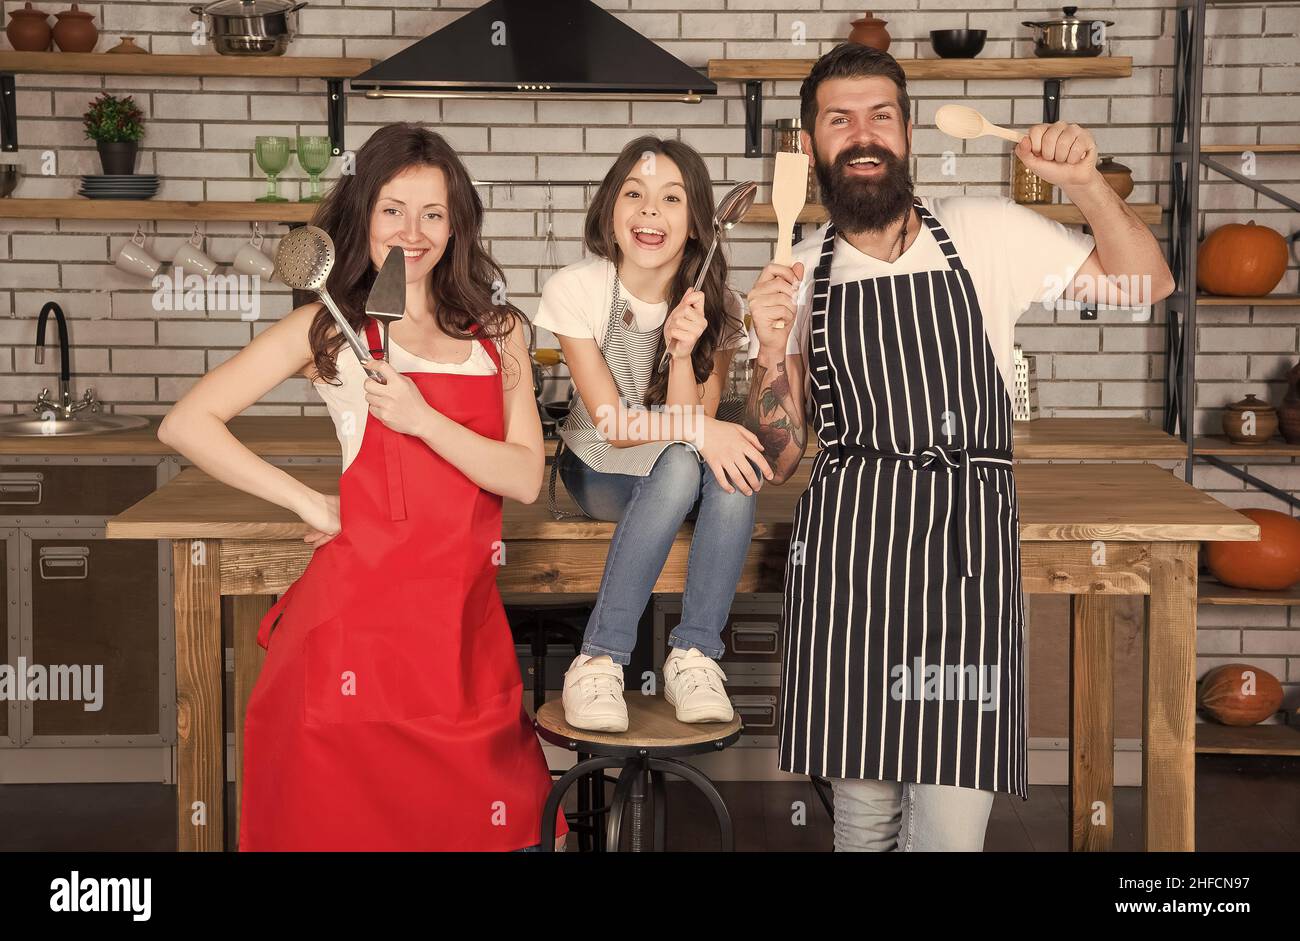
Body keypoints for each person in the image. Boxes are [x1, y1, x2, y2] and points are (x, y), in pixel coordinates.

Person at [743, 44, 1174, 851]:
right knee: (863, 823)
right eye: (840, 119)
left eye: (881, 114)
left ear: (908, 133)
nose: (863, 133)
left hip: (964, 558)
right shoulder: (794, 275)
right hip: (849, 561)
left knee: (948, 828)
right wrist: (768, 351)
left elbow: (1144, 286)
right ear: (810, 146)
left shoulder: (986, 232)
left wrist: (1084, 185)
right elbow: (777, 456)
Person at [158, 123, 567, 851]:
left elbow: (524, 475)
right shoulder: (328, 330)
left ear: (457, 223)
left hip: (461, 639)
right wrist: (309, 501)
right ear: (363, 218)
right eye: (392, 210)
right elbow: (187, 423)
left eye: (433, 213)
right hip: (354, 635)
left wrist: (420, 417)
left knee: (498, 823)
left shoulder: (498, 332)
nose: (413, 231)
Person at [533, 136, 771, 732]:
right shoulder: (577, 288)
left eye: (670, 199)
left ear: (695, 224)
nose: (648, 212)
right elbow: (612, 427)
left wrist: (686, 353)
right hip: (598, 469)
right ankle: (599, 659)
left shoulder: (721, 307)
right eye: (633, 194)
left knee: (722, 466)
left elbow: (697, 427)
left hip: (677, 473)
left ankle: (693, 657)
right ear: (609, 209)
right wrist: (701, 430)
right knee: (703, 456)